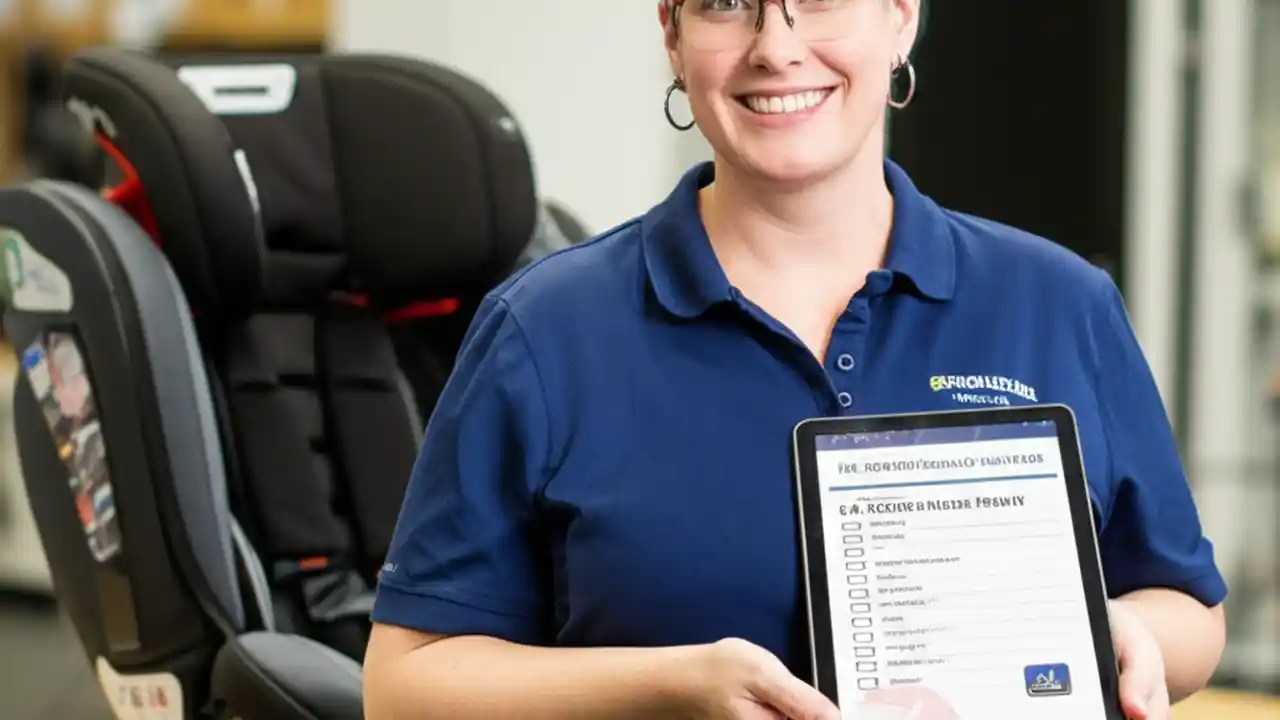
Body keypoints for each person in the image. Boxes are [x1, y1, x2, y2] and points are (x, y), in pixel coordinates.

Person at [363, 1, 1228, 718]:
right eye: (725, 6)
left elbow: (1188, 606)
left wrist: (1125, 633)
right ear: (671, 33)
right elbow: (403, 685)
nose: (775, 48)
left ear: (900, 19)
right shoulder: (544, 330)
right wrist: (664, 686)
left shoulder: (1058, 301)